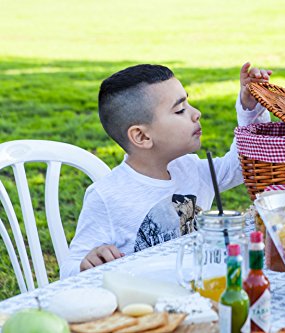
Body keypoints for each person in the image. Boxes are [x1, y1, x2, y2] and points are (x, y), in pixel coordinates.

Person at [60, 62, 272, 278]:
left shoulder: (190, 168)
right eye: (180, 110)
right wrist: (86, 264)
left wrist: (250, 110)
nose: (196, 113)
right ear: (142, 136)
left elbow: (240, 166)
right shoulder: (107, 196)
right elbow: (68, 271)